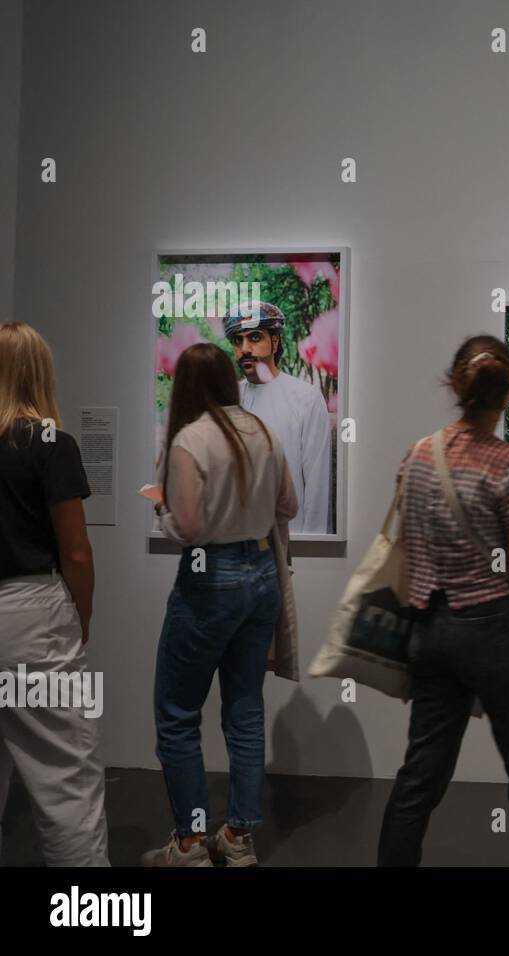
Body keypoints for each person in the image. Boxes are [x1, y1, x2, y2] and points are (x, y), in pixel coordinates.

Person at [379, 334, 509, 867]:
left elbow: (411, 548)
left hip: (431, 630)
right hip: (496, 634)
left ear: (454, 385)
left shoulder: (418, 455)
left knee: (419, 778)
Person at [142, 342, 298, 867]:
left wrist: (161, 504)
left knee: (178, 712)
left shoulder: (191, 438)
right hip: (260, 574)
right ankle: (238, 837)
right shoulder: (263, 431)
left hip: (210, 577)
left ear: (186, 386)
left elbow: (187, 528)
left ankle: (188, 843)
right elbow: (290, 505)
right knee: (246, 709)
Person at [0, 322, 110, 866]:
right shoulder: (50, 443)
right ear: (40, 372)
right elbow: (78, 552)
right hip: (31, 616)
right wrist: (81, 613)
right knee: (67, 777)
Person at [224, 301, 331, 534]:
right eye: (237, 341)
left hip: (288, 541)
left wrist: (313, 547)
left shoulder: (306, 398)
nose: (245, 349)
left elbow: (317, 484)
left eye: (254, 338)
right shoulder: (230, 399)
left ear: (274, 341)